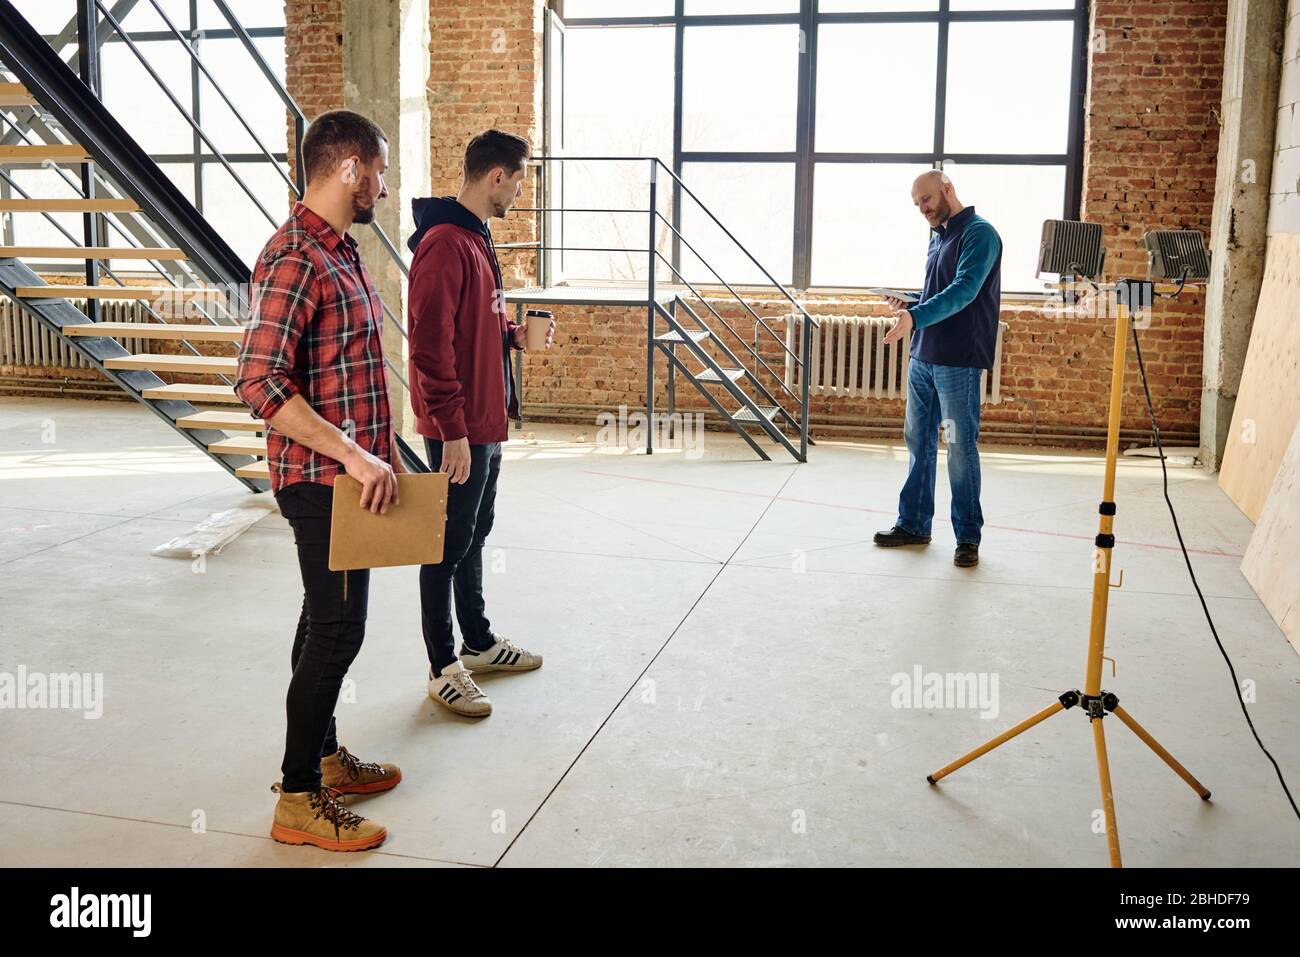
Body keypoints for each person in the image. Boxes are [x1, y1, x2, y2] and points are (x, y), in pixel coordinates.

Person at [235, 109, 402, 851]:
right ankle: (299, 795)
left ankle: (327, 756)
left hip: (351, 478)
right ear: (348, 168)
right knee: (339, 629)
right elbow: (259, 378)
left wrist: (381, 451)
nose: (384, 188)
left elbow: (346, 369)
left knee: (320, 620)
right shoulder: (297, 254)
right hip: (320, 481)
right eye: (379, 170)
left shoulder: (340, 250)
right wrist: (356, 455)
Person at [406, 130, 555, 717]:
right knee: (444, 544)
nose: (518, 195)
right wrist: (452, 431)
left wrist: (516, 337)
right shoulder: (444, 244)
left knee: (473, 534)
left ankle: (478, 643)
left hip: (486, 422)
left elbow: (475, 330)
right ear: (496, 176)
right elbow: (428, 347)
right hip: (460, 428)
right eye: (517, 183)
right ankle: (443, 666)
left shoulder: (477, 237)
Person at [875, 170, 1002, 568]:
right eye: (917, 204)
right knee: (918, 443)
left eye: (927, 199)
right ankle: (913, 523)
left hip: (958, 362)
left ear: (947, 189)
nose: (923, 209)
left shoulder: (980, 234)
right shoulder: (939, 236)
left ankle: (968, 537)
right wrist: (910, 303)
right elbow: (935, 295)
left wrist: (915, 315)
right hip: (923, 358)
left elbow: (964, 291)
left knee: (960, 449)